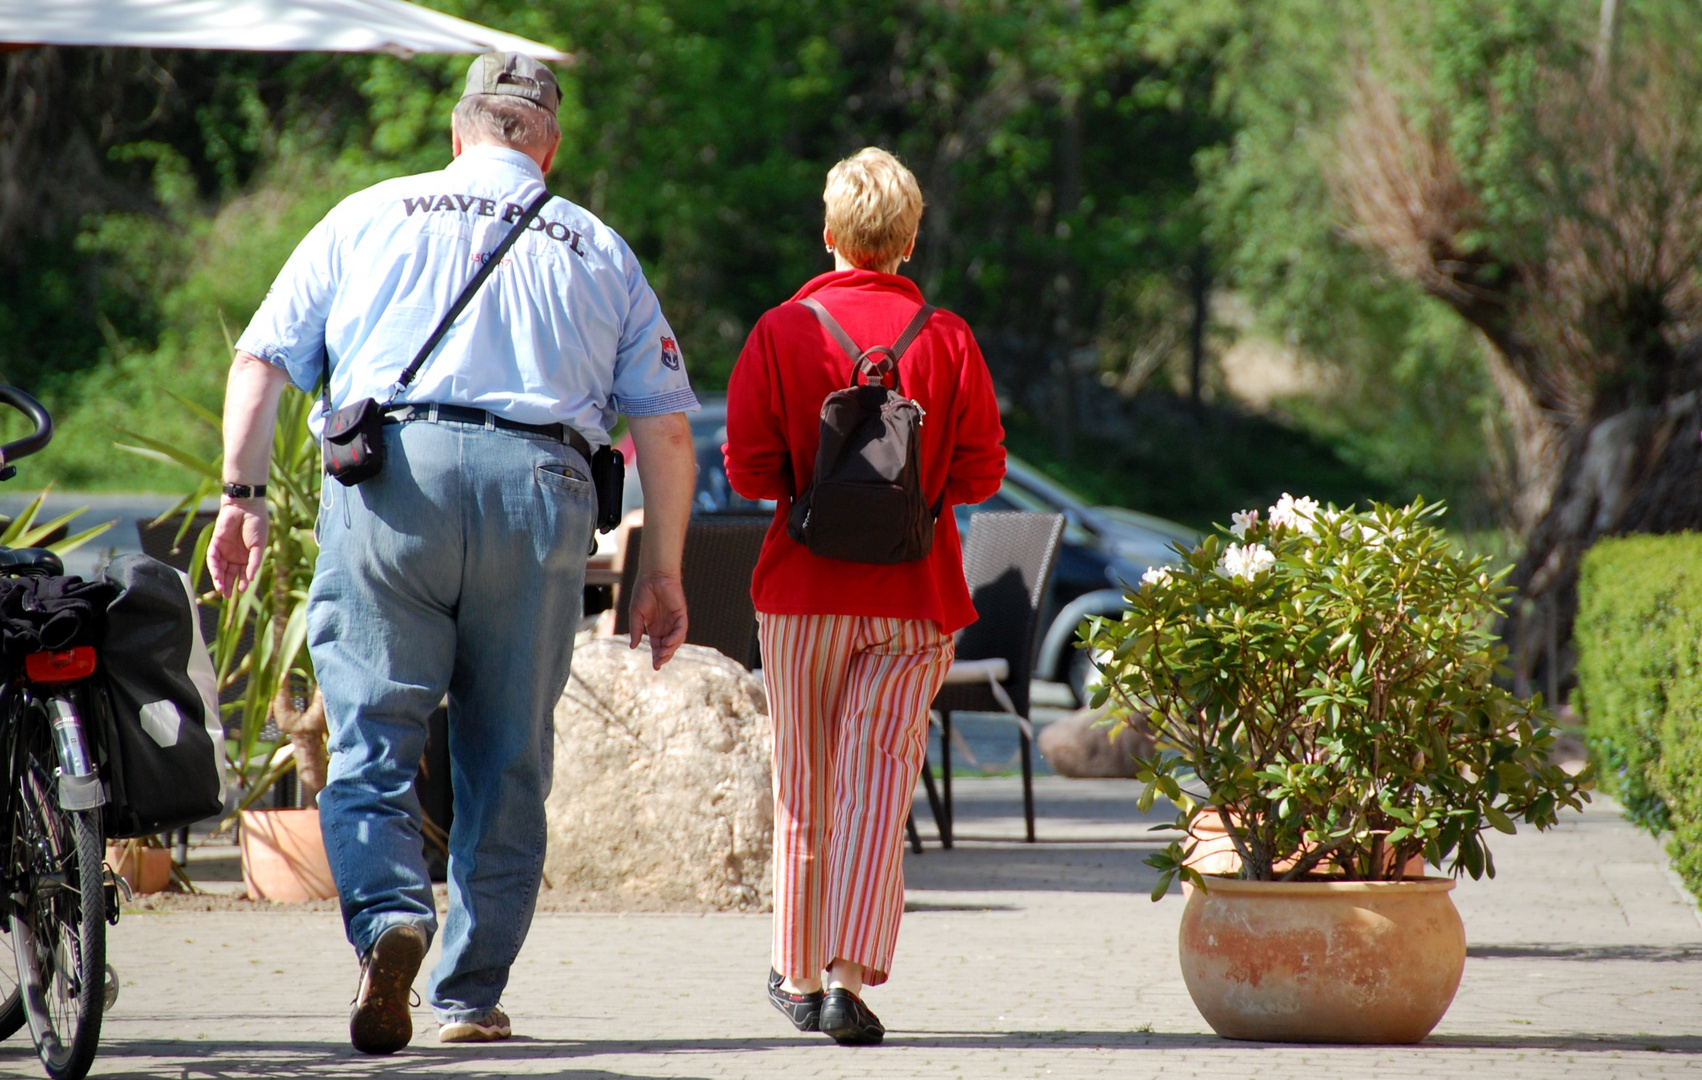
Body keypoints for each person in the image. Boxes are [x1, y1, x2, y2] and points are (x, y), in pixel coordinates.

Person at [209, 52, 698, 1055]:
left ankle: (390, 918)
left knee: (372, 742)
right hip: (540, 493)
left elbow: (260, 363)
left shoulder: (368, 214)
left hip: (394, 483)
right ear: (548, 146)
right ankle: (470, 997)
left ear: (456, 131)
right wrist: (661, 575)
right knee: (506, 759)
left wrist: (242, 500)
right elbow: (669, 433)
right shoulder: (598, 246)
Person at [723, 147, 1006, 1045]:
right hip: (915, 596)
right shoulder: (950, 338)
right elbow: (983, 474)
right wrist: (911, 496)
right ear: (910, 239)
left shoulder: (780, 331)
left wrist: (818, 487)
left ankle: (796, 975)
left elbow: (750, 468)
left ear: (830, 234)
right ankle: (849, 979)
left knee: (804, 785)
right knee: (878, 788)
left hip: (801, 593)